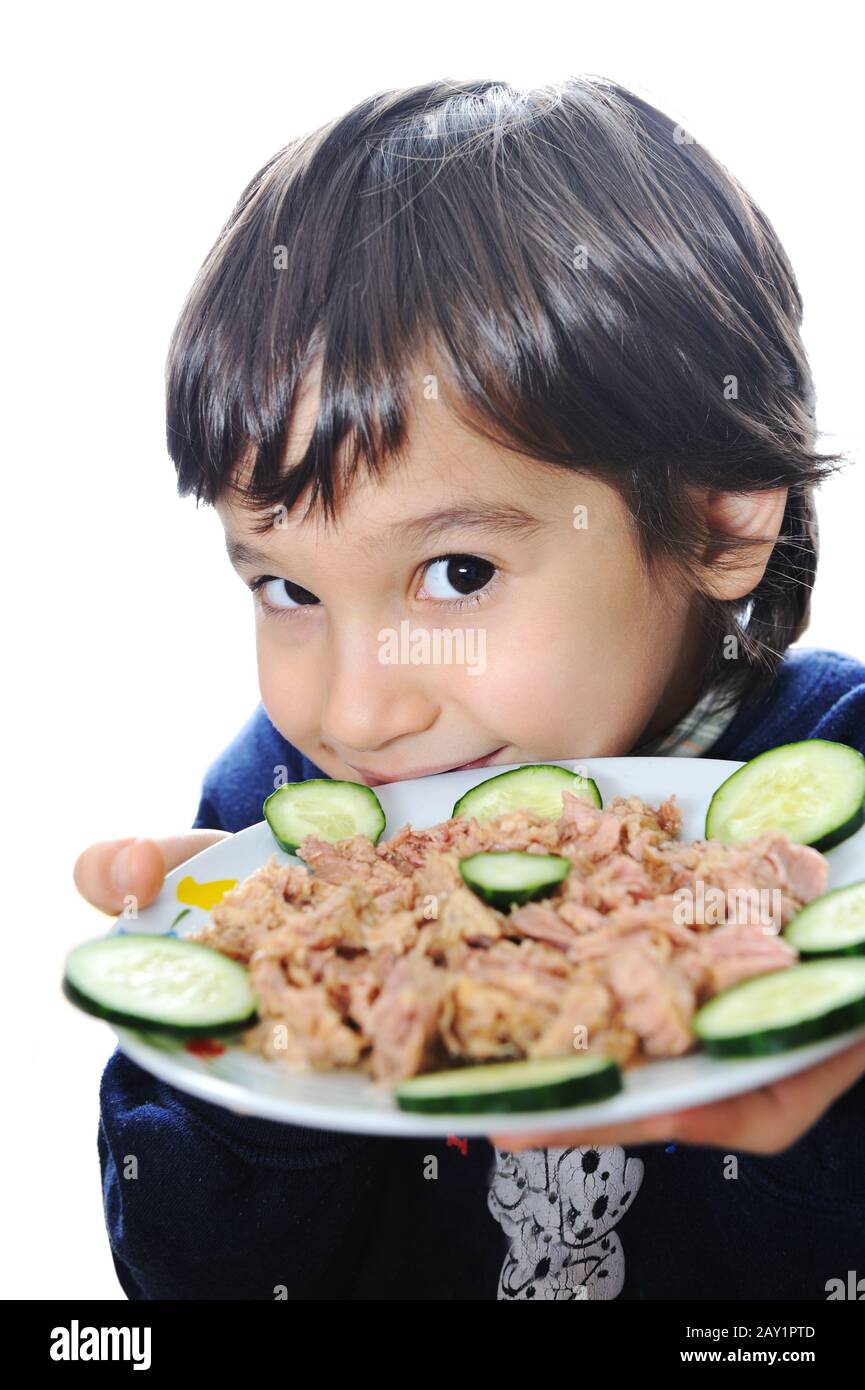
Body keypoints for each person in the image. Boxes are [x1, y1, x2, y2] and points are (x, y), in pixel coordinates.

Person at [74, 76, 865, 1300]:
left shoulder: (845, 776)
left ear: (717, 518)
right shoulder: (272, 804)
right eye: (286, 589)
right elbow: (188, 1282)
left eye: (454, 571)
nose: (354, 712)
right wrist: (244, 1025)